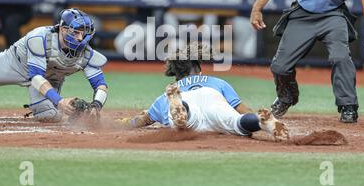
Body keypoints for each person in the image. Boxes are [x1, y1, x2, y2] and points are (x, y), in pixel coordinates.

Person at [0, 8, 108, 122]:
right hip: (14, 64)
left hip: (49, 79)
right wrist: (60, 101)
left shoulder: (87, 53)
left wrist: (96, 105)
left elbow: (101, 85)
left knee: (49, 115)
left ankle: (77, 114)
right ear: (62, 29)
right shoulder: (40, 38)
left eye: (84, 33)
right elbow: (35, 77)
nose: (80, 38)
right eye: (75, 32)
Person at [118, 44, 289, 141]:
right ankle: (262, 122)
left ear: (175, 74)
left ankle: (181, 107)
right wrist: (251, 116)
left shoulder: (164, 96)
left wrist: (125, 122)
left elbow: (143, 119)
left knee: (184, 123)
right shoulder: (216, 82)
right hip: (212, 97)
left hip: (185, 100)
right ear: (198, 68)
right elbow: (241, 109)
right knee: (238, 122)